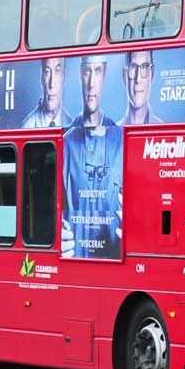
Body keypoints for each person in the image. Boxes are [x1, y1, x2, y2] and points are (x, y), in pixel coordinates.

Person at [61, 54, 123, 258]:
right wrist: (56, 238)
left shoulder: (122, 141)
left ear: (104, 75)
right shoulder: (65, 143)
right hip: (72, 262)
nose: (91, 83)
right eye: (87, 71)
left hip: (116, 262)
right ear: (80, 75)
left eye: (97, 71)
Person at [118, 49, 163, 126]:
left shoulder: (163, 130)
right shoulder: (114, 132)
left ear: (152, 74)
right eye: (133, 67)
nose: (138, 79)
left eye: (145, 67)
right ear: (124, 75)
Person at [21, 56, 67, 128]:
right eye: (47, 72)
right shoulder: (28, 125)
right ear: (41, 78)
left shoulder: (71, 124)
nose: (51, 84)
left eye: (57, 71)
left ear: (63, 78)